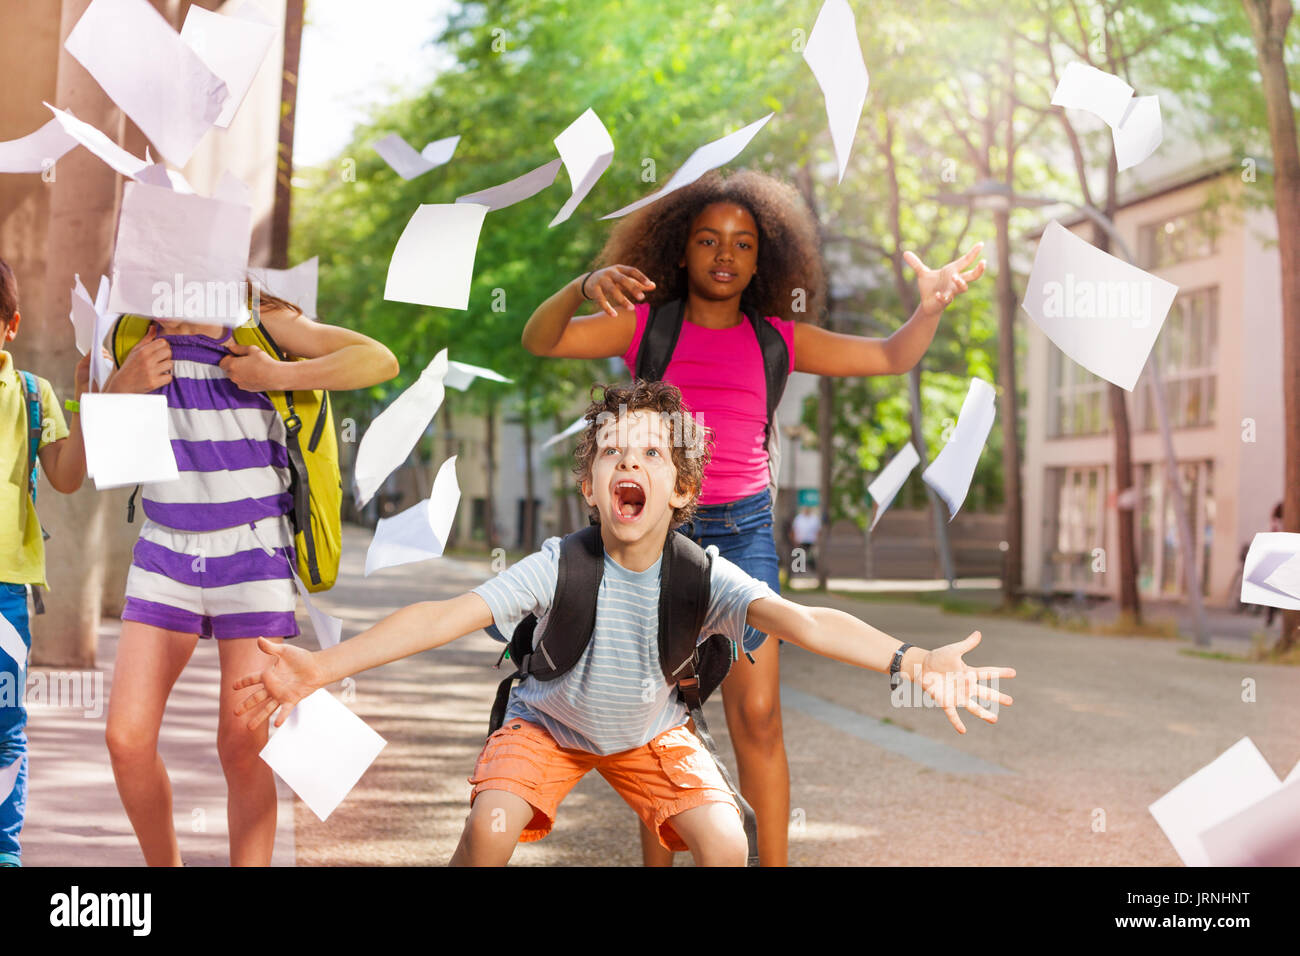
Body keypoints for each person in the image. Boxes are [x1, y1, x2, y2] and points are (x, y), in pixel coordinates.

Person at [233, 381, 1015, 866]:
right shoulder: (559, 563)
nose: (629, 464)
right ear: (591, 484)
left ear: (681, 491)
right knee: (494, 825)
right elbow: (444, 615)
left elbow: (806, 620)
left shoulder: (704, 574)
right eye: (611, 454)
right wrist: (316, 669)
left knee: (725, 842)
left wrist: (909, 658)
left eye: (649, 454)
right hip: (548, 725)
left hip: (650, 733)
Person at [521, 169, 986, 865]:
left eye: (742, 243)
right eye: (708, 240)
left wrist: (928, 309)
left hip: (742, 532)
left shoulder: (780, 340)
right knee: (659, 720)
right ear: (681, 250)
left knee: (759, 714)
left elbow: (893, 356)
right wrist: (582, 288)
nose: (725, 254)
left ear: (761, 260)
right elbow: (541, 339)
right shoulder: (646, 324)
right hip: (654, 534)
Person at [102, 289, 397, 866]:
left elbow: (378, 360)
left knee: (244, 746)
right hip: (164, 551)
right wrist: (117, 386)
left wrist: (276, 373)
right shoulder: (126, 328)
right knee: (125, 740)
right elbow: (108, 461)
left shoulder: (258, 319)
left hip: (254, 553)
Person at [0, 257, 91, 866]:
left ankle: (5, 853)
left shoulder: (34, 394)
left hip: (6, 590)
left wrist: (86, 402)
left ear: (10, 326)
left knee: (5, 726)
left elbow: (65, 476)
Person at [791, 506, 822, 574]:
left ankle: (812, 570)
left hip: (811, 540)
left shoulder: (814, 518)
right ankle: (800, 571)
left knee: (811, 556)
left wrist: (817, 540)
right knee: (801, 555)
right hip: (800, 540)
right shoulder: (798, 518)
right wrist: (794, 540)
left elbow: (818, 530)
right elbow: (794, 529)